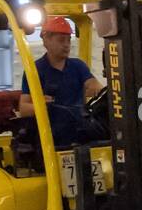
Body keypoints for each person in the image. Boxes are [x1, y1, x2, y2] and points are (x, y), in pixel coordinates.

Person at [18, 16, 103, 144]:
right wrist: (43, 107)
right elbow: (24, 108)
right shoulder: (34, 70)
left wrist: (95, 88)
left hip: (79, 128)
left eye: (68, 40)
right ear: (46, 40)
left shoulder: (78, 66)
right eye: (61, 40)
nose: (66, 45)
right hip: (51, 134)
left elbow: (93, 85)